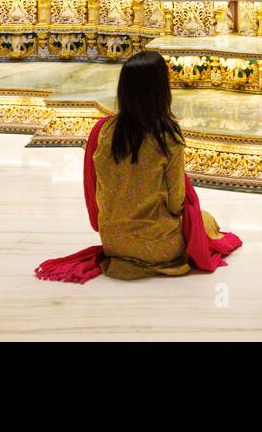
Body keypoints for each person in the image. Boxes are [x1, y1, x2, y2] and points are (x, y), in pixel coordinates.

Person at [34, 50, 241, 283]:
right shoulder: (167, 136)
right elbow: (176, 203)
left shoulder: (102, 130)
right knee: (206, 221)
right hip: (161, 246)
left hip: (113, 242)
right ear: (161, 90)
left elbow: (94, 191)